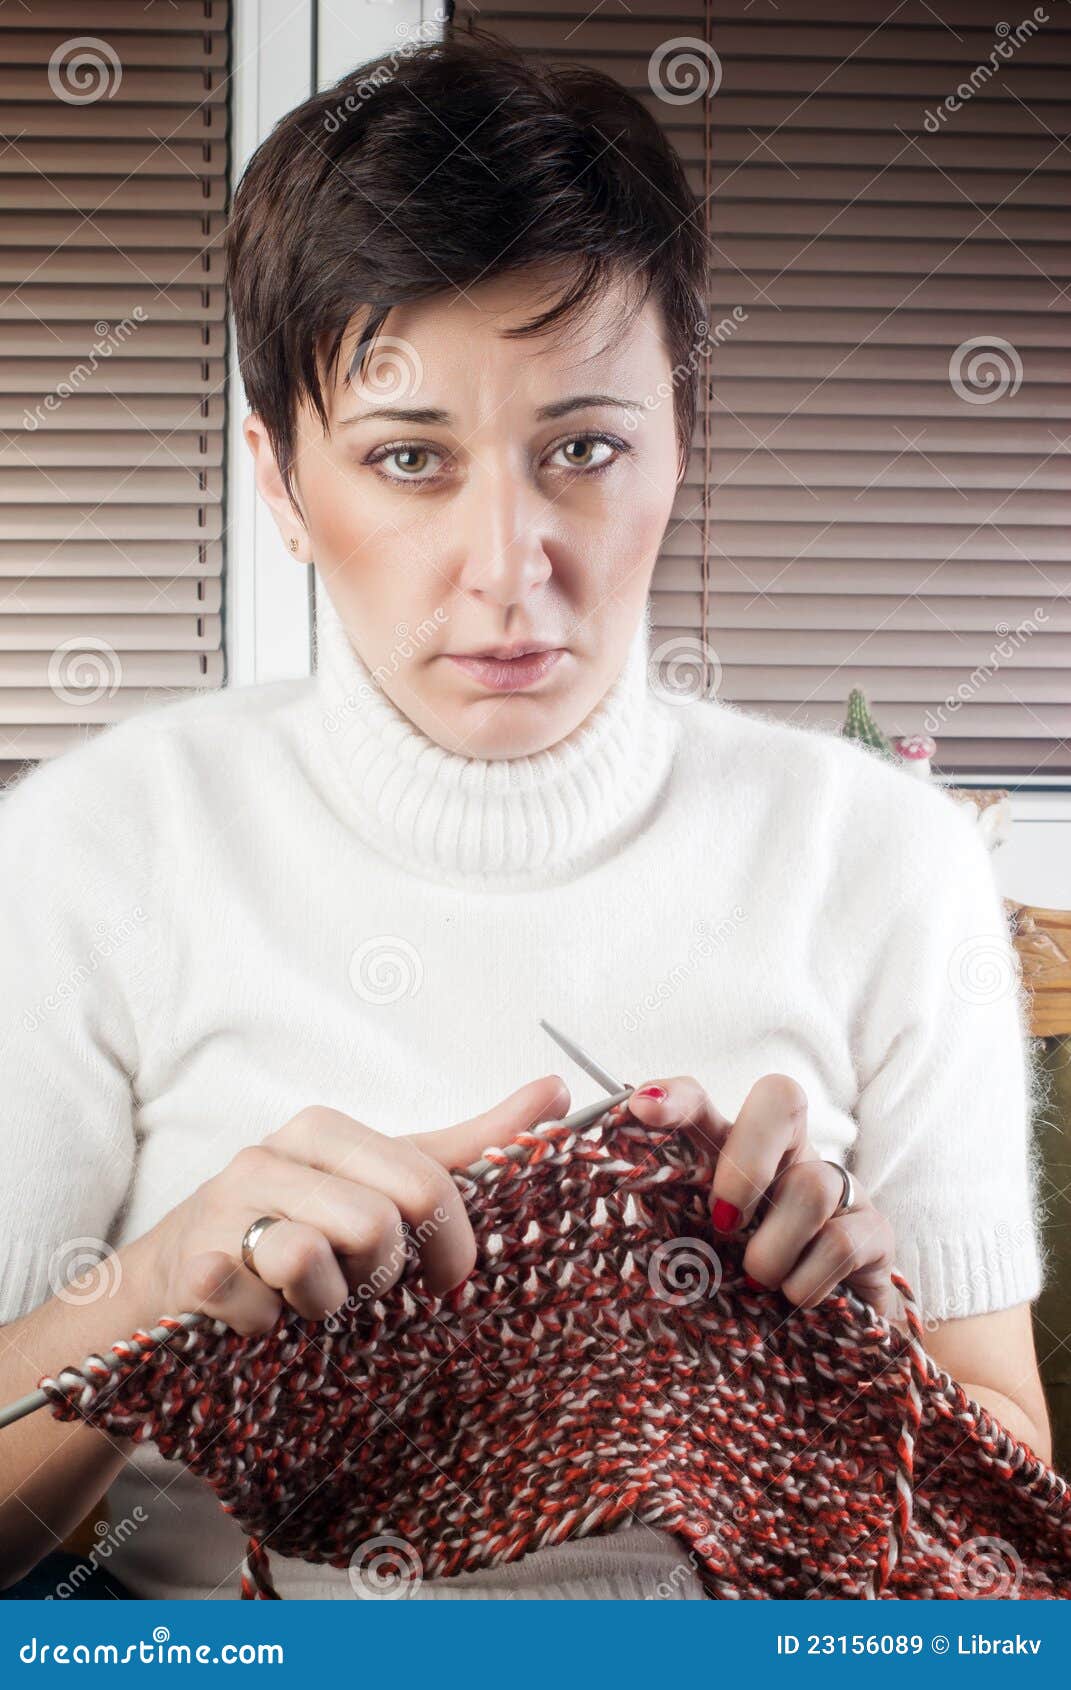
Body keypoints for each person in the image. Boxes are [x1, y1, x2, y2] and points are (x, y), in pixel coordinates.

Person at [0, 28, 1051, 1601]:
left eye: (584, 449)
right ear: (279, 480)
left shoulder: (885, 864)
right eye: (410, 460)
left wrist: (842, 1340)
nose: (508, 565)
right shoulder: (94, 848)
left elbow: (1010, 1524)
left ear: (681, 436)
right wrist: (163, 1284)